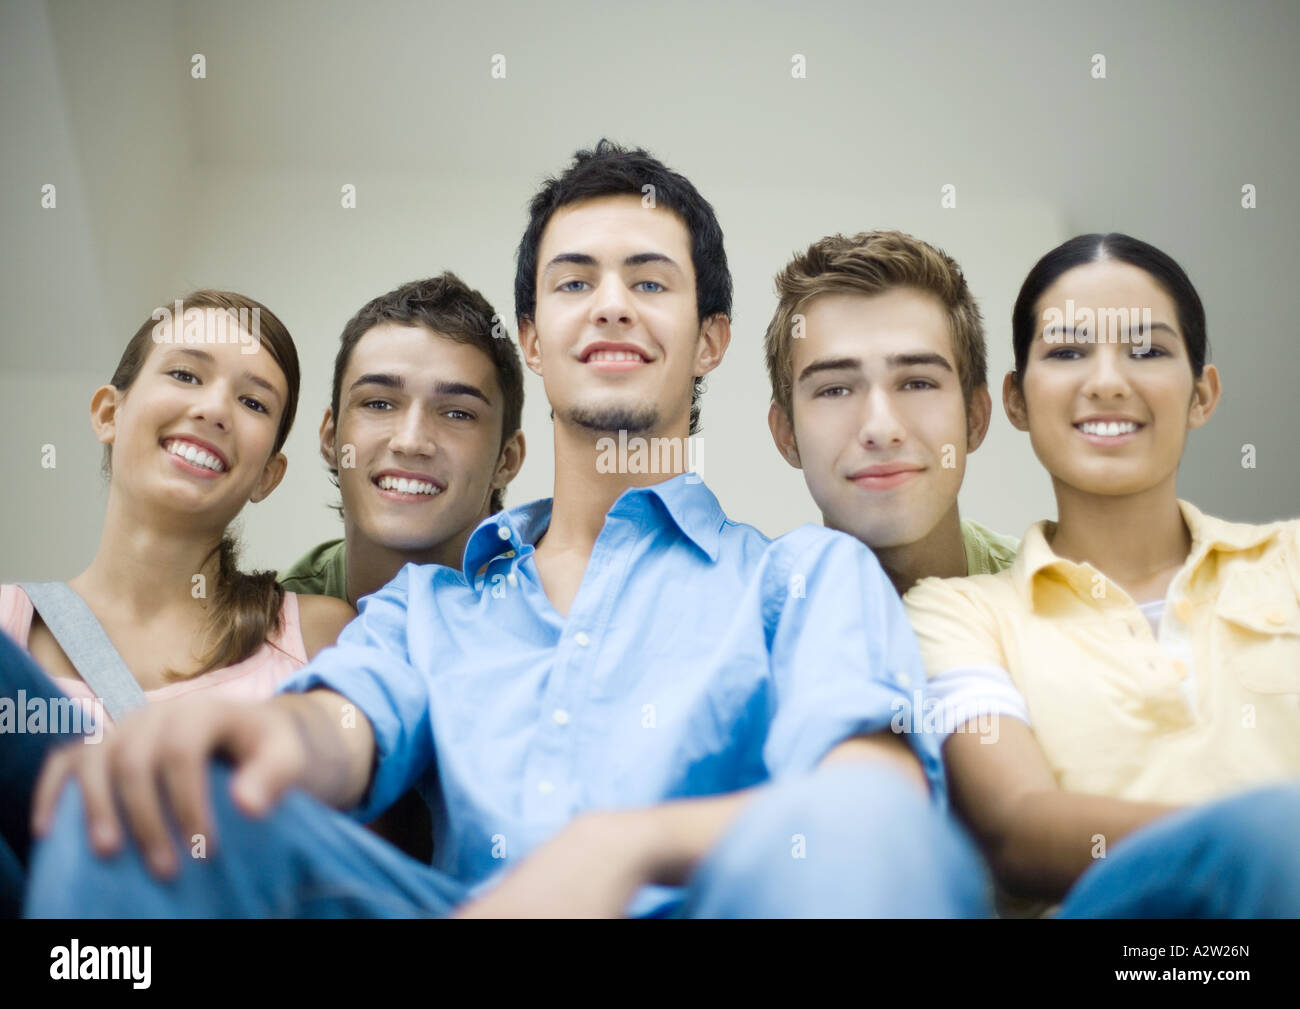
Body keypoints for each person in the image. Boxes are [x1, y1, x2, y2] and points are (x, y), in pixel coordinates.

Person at [22, 140, 986, 919]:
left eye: (650, 282)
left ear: (712, 340)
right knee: (134, 811)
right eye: (574, 283)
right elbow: (338, 725)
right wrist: (265, 731)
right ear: (531, 337)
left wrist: (622, 846)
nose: (610, 301)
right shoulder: (426, 607)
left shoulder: (807, 576)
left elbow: (873, 807)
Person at [903, 233, 1300, 917]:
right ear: (1017, 400)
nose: (1108, 380)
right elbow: (1016, 824)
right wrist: (1251, 836)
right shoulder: (957, 614)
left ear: (1203, 394)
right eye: (1066, 351)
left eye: (1146, 350)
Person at [0, 290, 355, 912]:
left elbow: (339, 869)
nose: (214, 408)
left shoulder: (318, 636)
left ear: (268, 473)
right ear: (109, 412)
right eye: (186, 374)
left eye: (252, 402)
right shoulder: (9, 623)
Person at [764, 230, 1017, 595]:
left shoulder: (1080, 613)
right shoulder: (738, 627)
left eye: (917, 384)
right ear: (787, 435)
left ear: (975, 417)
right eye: (835, 389)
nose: (881, 429)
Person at [279, 273, 525, 607]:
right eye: (378, 404)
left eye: (457, 414)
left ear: (506, 459)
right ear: (330, 438)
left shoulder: (553, 609)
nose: (410, 442)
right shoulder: (267, 627)